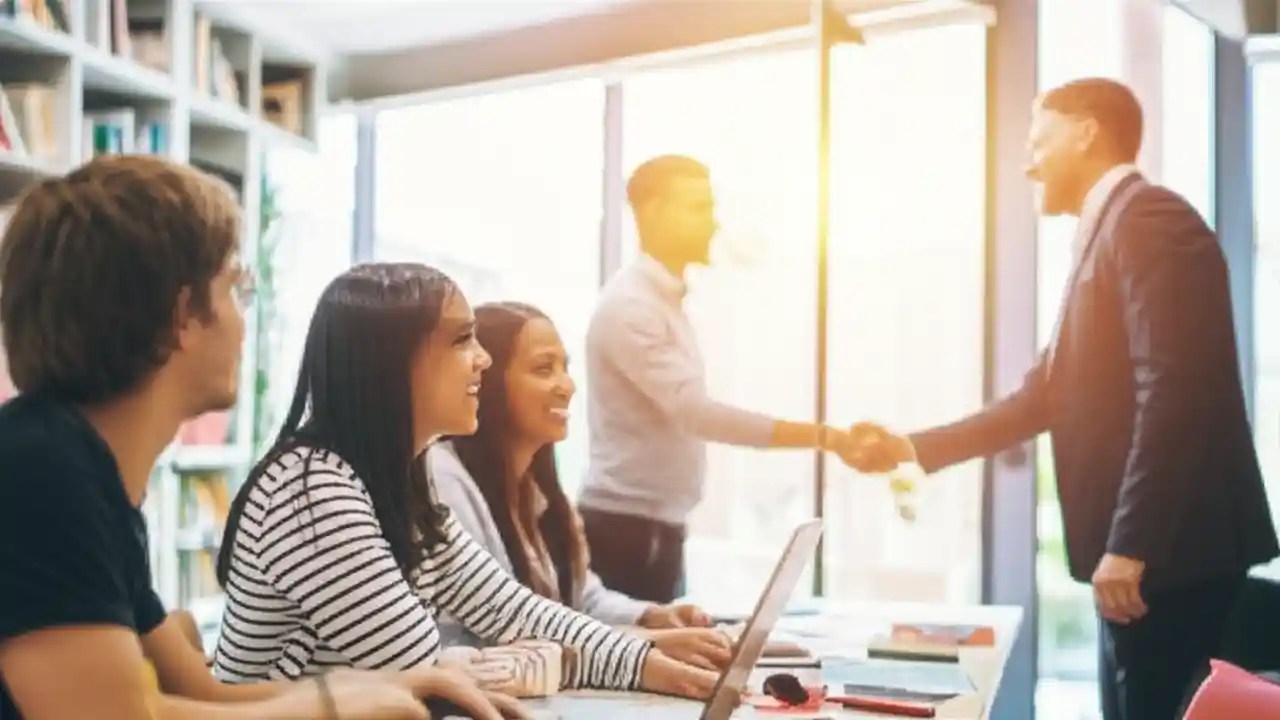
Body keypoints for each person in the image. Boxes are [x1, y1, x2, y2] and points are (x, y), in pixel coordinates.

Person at [0, 156, 498, 720]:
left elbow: (197, 693)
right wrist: (334, 708)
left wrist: (383, 690)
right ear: (183, 315)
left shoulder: (85, 476)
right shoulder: (40, 468)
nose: (245, 322)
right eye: (238, 289)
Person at [843, 78, 1279, 720]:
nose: (1028, 162)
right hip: (1154, 564)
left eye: (1038, 140)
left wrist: (1134, 545)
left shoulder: (1151, 220)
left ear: (1086, 131)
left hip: (1173, 562)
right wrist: (910, 447)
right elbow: (1042, 398)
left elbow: (1175, 388)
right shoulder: (1108, 234)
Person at [213, 263, 717, 701]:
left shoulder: (402, 482)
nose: (483, 359)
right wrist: (632, 658)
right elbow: (421, 666)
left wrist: (651, 667)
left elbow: (510, 609)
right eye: (461, 340)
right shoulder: (312, 487)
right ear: (391, 362)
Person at [579, 154, 856, 603]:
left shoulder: (665, 301)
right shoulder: (631, 307)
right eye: (698, 208)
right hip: (626, 532)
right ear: (652, 212)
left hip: (654, 527)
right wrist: (825, 437)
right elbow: (696, 414)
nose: (712, 224)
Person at [428, 301, 733, 670]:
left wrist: (651, 616)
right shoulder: (443, 483)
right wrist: (644, 645)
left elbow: (581, 599)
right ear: (484, 381)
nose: (567, 386)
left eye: (565, 368)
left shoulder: (538, 491)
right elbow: (492, 634)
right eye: (544, 369)